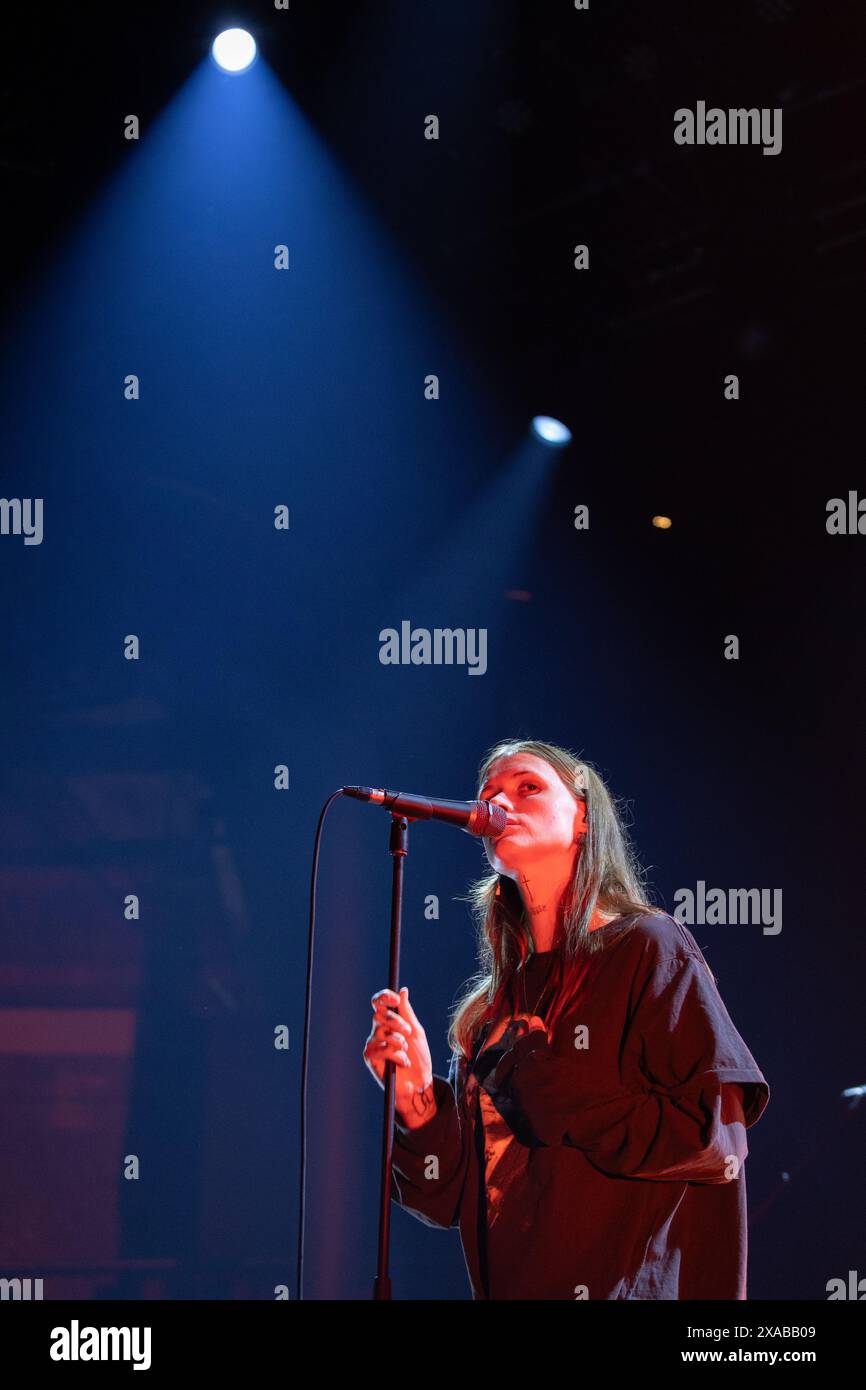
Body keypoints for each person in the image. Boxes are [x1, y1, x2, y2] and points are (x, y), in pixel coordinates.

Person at [363, 738, 770, 1300]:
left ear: (583, 817)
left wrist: (554, 1092)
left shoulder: (648, 947)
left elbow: (714, 1140)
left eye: (527, 787)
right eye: (489, 794)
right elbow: (447, 1200)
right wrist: (417, 1106)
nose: (501, 802)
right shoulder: (493, 1008)